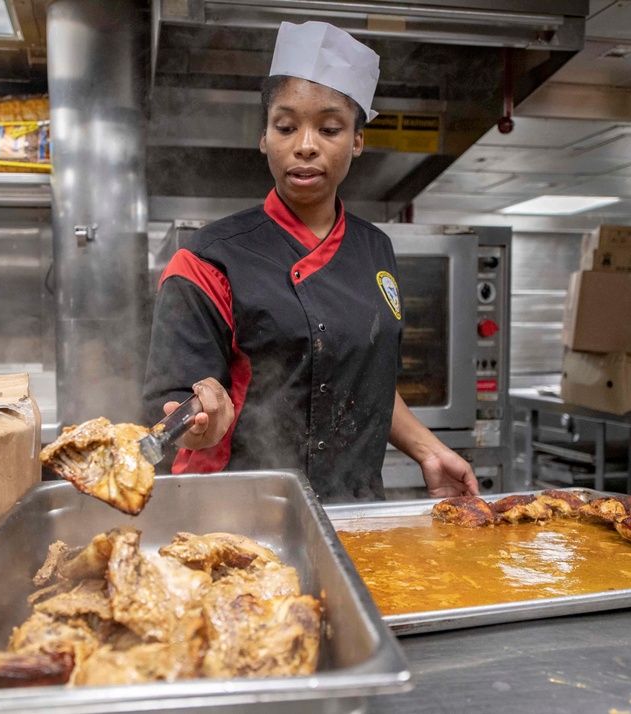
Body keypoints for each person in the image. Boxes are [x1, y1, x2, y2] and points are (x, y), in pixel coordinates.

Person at [143, 21, 478, 502]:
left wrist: (427, 449)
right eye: (285, 126)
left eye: (329, 128)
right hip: (243, 515)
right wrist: (202, 423)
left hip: (356, 510)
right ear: (264, 137)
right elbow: (173, 408)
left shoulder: (375, 249)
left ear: (357, 141)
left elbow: (363, 376)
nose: (305, 144)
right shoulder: (208, 259)